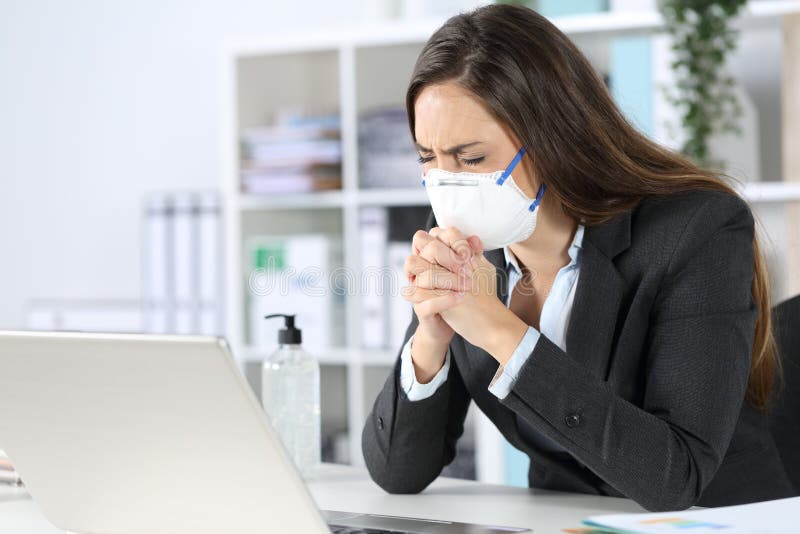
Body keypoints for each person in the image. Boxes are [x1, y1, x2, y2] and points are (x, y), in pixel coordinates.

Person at [361, 4, 796, 512]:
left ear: (552, 138)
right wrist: (430, 335)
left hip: (723, 518)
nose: (447, 182)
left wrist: (501, 330)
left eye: (472, 158)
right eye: (427, 158)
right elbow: (398, 473)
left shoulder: (696, 230)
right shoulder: (473, 253)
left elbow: (676, 476)